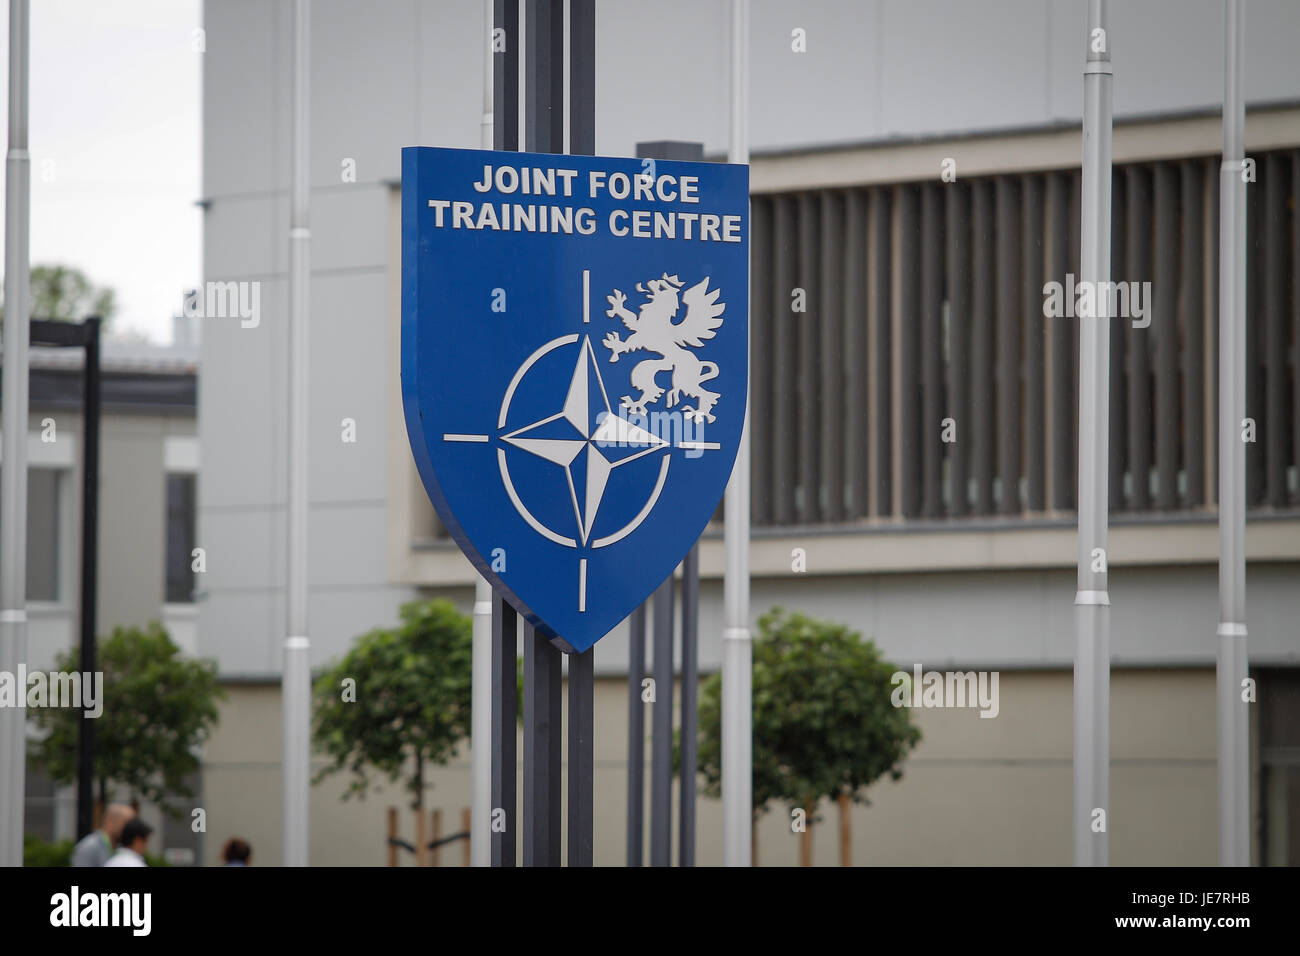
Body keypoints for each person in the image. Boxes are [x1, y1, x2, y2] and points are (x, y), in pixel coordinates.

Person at [70, 804, 135, 867]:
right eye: (126, 824)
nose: (130, 829)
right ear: (110, 822)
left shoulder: (118, 848)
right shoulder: (89, 847)